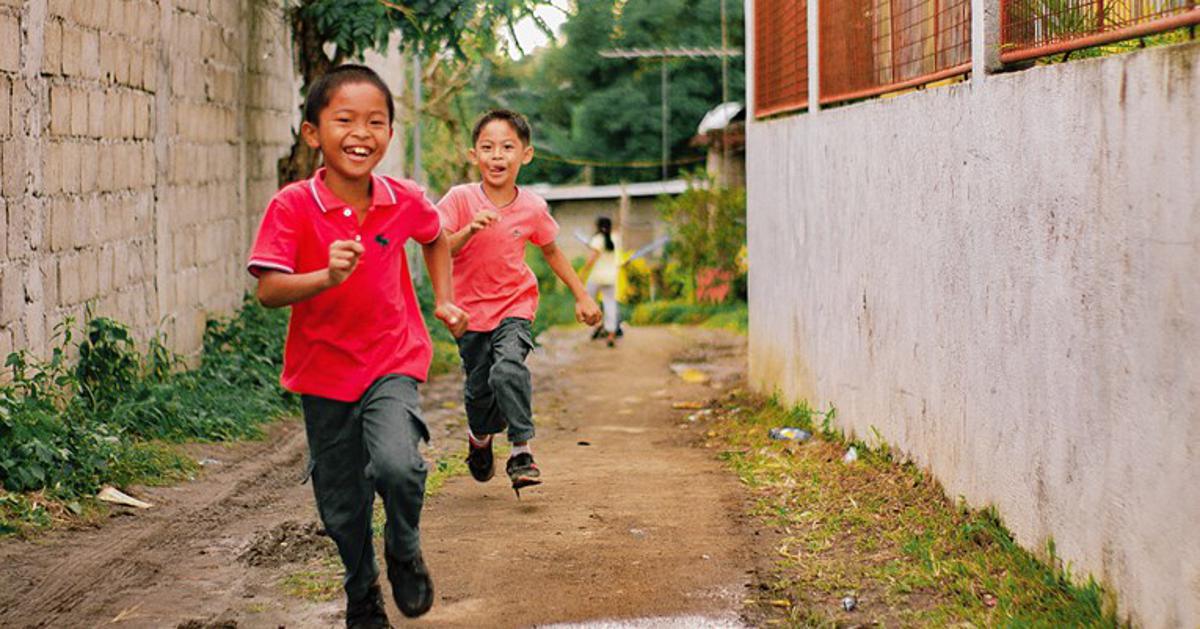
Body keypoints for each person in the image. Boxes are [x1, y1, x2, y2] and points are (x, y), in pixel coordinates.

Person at [246, 64, 468, 628]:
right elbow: (269, 290)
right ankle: (361, 590)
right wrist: (324, 276)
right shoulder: (293, 206)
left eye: (376, 121)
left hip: (392, 361)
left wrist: (443, 299)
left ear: (391, 134)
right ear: (313, 132)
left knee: (398, 465)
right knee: (342, 506)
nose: (361, 133)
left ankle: (403, 546)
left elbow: (436, 235)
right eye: (344, 119)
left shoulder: (403, 199)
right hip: (322, 374)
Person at [437, 109, 601, 496]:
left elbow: (552, 252)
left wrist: (582, 294)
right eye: (488, 147)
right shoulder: (460, 199)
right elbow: (438, 246)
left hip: (515, 306)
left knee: (507, 369)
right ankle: (480, 440)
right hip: (469, 314)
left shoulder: (531, 207)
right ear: (473, 155)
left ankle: (521, 452)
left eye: (507, 147)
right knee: (479, 392)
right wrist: (467, 230)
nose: (497, 155)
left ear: (525, 155)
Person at [582, 216, 621, 347]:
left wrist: (583, 272)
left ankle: (598, 324)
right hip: (611, 277)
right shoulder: (616, 238)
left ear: (598, 227)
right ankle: (611, 335)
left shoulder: (597, 239)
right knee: (610, 305)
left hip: (596, 277)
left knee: (588, 300)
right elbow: (618, 257)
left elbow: (591, 259)